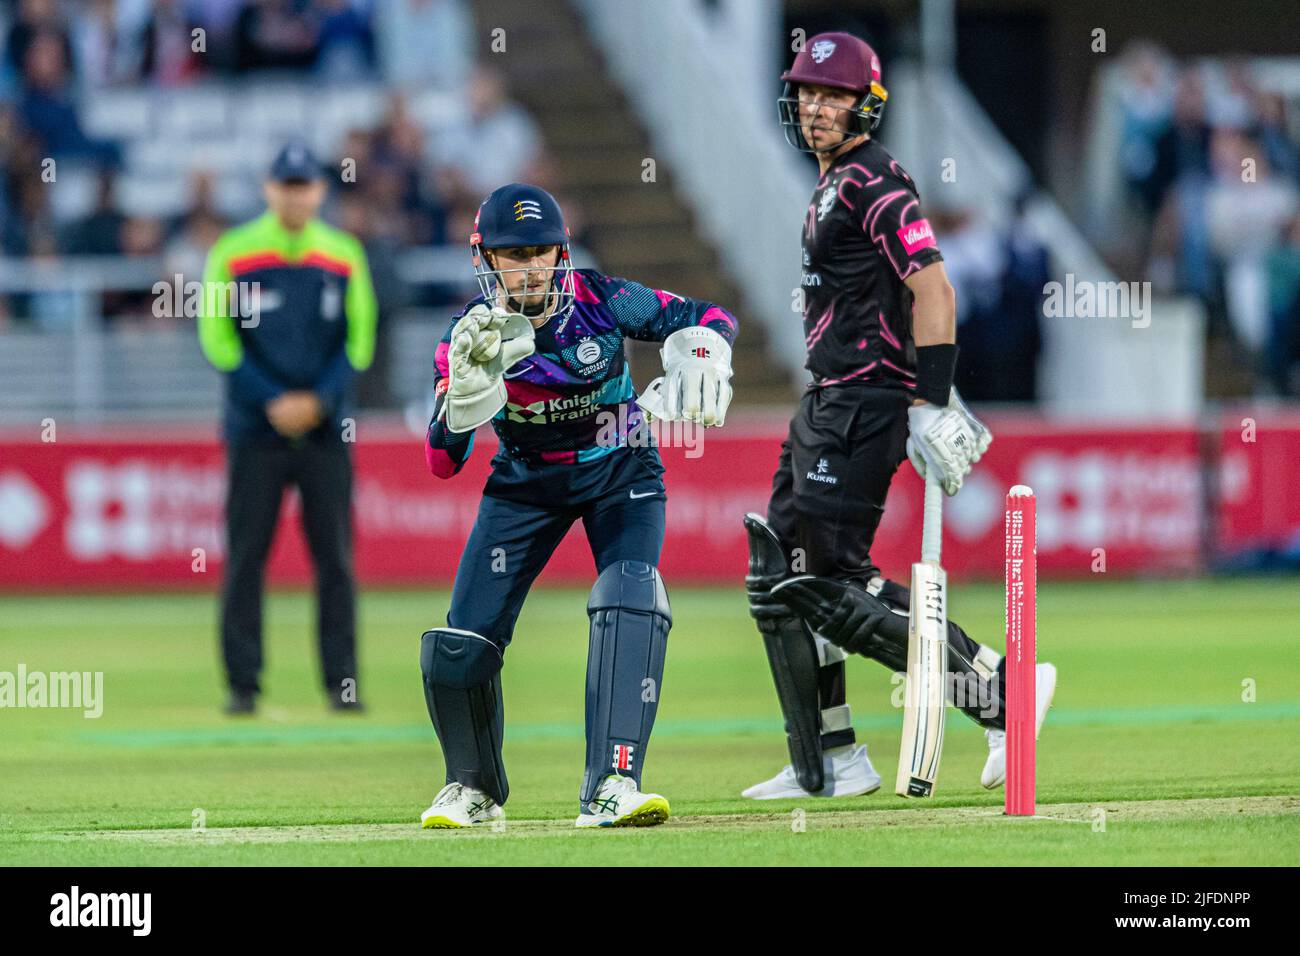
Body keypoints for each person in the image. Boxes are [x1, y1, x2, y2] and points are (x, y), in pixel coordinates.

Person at [742, 32, 1057, 800]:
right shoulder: (831, 181)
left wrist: (928, 402)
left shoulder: (874, 180)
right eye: (808, 94)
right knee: (780, 571)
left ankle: (1000, 698)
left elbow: (936, 291)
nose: (815, 108)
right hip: (829, 395)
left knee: (833, 583)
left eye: (833, 96)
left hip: (865, 397)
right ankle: (830, 755)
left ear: (866, 105)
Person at [418, 183, 738, 829]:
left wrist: (704, 351)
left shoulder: (603, 298)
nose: (531, 267)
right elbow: (441, 461)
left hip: (620, 470)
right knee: (459, 646)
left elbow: (709, 316)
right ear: (485, 259)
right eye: (514, 255)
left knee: (631, 598)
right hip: (524, 483)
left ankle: (613, 784)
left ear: (561, 253)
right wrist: (461, 401)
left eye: (542, 251)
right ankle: (472, 788)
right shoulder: (465, 336)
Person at [198, 141, 377, 715]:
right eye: (287, 185)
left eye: (306, 186)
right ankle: (242, 686)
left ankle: (341, 685)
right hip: (255, 429)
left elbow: (360, 340)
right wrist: (273, 400)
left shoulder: (344, 253)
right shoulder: (233, 251)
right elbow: (218, 339)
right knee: (247, 555)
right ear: (269, 189)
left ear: (320, 191)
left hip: (325, 433)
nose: (296, 195)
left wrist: (318, 401)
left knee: (336, 560)